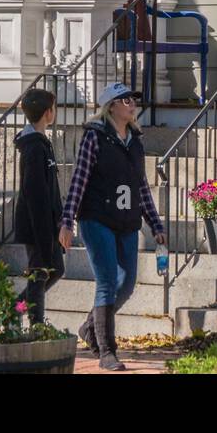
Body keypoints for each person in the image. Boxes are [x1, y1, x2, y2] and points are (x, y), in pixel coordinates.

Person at [59, 82, 167, 371]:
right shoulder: (94, 138)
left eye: (134, 99)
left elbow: (140, 186)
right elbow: (78, 181)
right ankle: (107, 351)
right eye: (126, 99)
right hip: (96, 219)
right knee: (106, 282)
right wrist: (67, 221)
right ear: (112, 107)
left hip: (127, 222)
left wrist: (155, 223)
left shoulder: (135, 141)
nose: (133, 103)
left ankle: (89, 326)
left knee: (127, 283)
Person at [13, 88, 64, 324]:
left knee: (55, 269)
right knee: (39, 273)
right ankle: (36, 325)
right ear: (47, 113)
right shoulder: (33, 148)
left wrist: (60, 220)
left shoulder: (42, 143)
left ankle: (14, 309)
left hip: (49, 221)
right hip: (36, 224)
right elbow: (35, 193)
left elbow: (50, 189)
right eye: (53, 108)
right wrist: (44, 231)